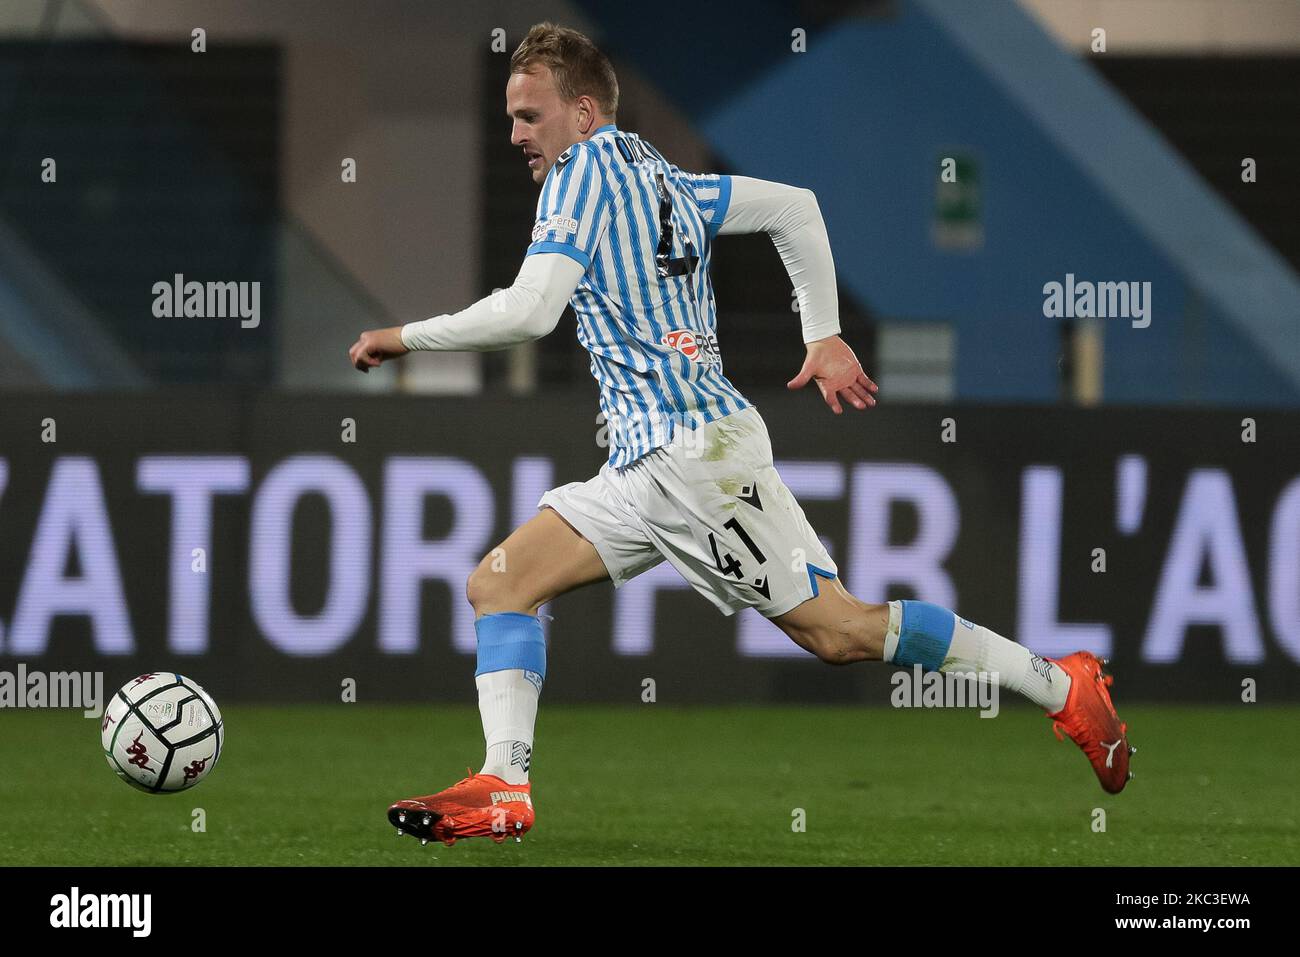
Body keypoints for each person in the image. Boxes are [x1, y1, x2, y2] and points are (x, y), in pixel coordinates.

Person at [349, 22, 1132, 848]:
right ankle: (504, 783)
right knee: (500, 584)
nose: (515, 135)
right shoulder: (666, 179)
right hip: (645, 462)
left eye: (530, 116)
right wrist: (822, 332)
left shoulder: (579, 179)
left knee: (840, 631)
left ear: (583, 113)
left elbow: (530, 310)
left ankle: (1060, 684)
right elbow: (796, 209)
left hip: (695, 459)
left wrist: (404, 337)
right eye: (510, 117)